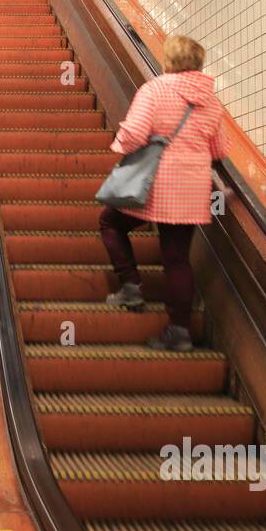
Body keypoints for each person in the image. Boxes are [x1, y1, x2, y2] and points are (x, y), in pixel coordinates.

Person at [99, 34, 229, 352]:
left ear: (168, 61)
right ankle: (179, 331)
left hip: (154, 184)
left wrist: (118, 146)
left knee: (110, 222)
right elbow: (220, 148)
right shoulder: (211, 101)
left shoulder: (155, 89)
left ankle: (130, 284)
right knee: (177, 260)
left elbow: (134, 133)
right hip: (191, 191)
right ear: (198, 62)